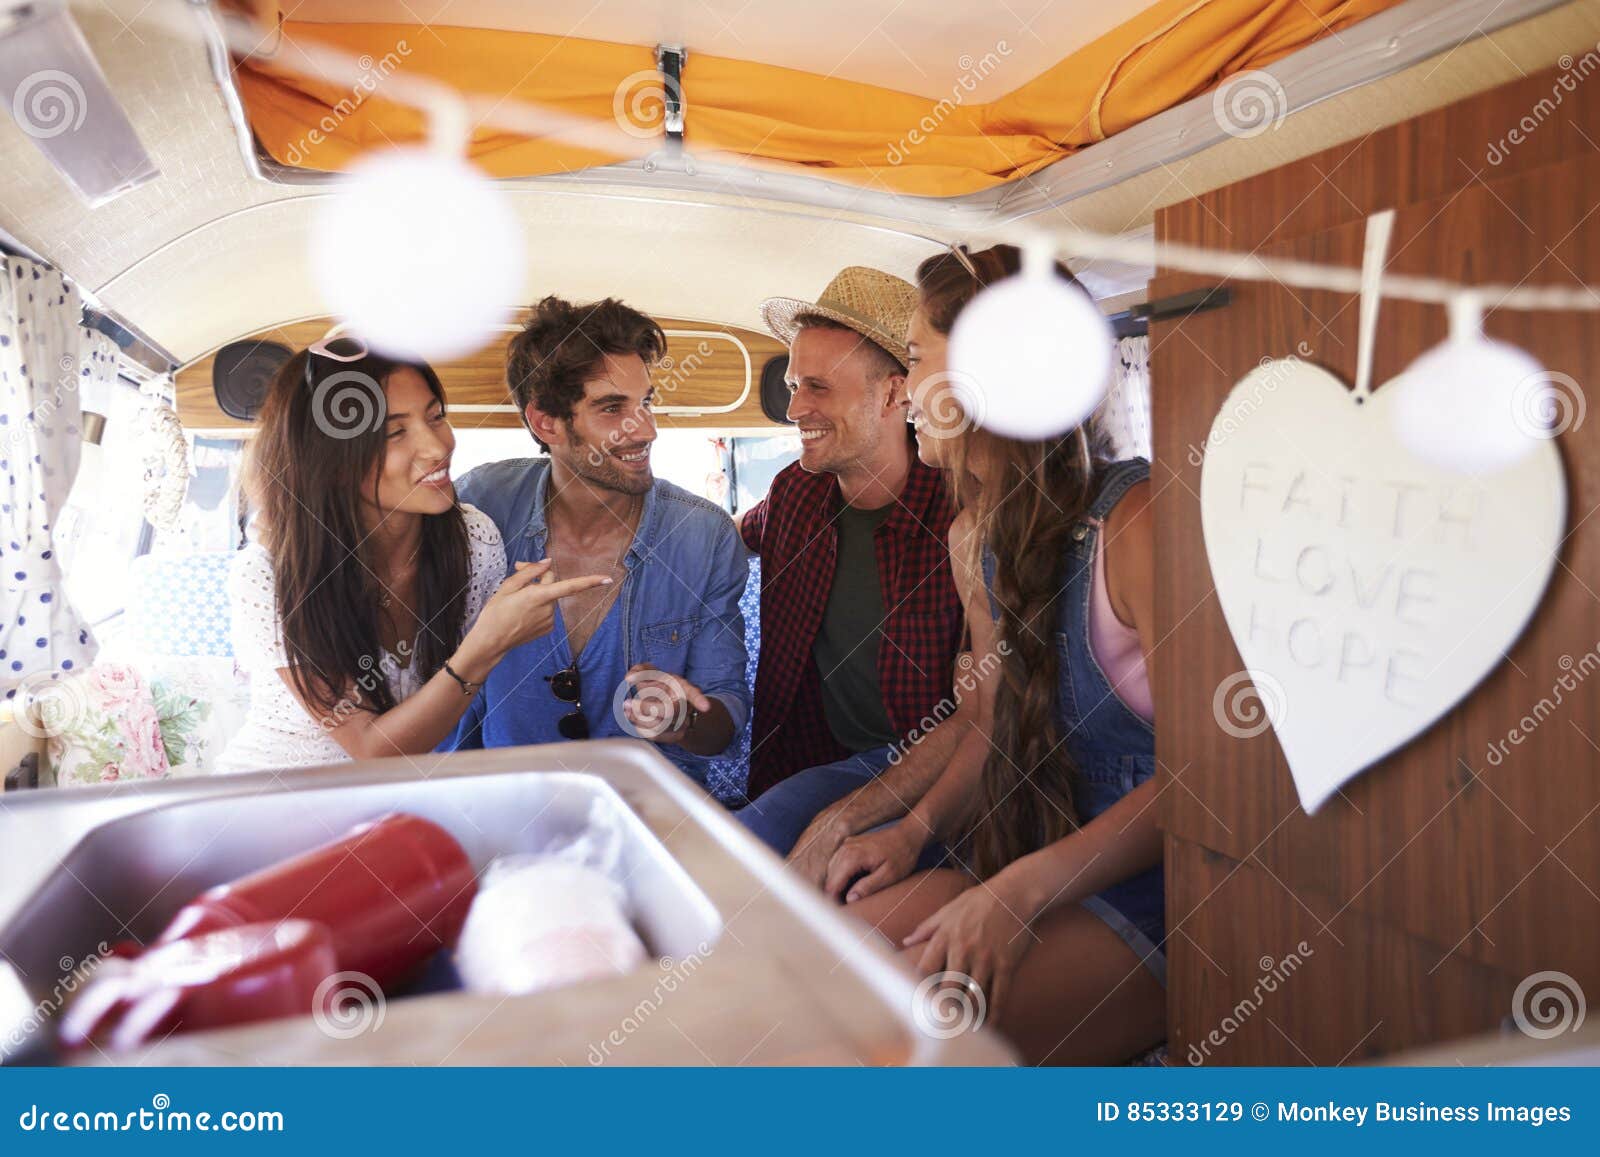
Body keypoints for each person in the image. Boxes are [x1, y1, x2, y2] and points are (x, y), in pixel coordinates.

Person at [838, 245, 1165, 1066]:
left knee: (892, 1041)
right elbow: (989, 724)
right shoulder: (972, 538)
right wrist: (910, 833)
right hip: (1039, 860)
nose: (904, 389)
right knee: (813, 968)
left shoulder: (1137, 522)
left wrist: (1017, 892)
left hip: (1165, 886)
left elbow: (1211, 775)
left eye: (916, 359)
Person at [220, 335, 609, 773]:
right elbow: (372, 749)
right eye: (395, 432)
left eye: (436, 416)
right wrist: (487, 644)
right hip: (276, 793)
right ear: (331, 461)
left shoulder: (474, 540)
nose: (437, 447)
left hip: (397, 793)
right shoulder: (268, 577)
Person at [442, 296, 749, 780]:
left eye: (646, 402)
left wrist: (683, 720)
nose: (646, 430)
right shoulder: (483, 504)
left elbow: (725, 720)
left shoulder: (704, 536)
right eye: (612, 408)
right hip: (510, 799)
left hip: (651, 806)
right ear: (546, 422)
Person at [734, 267, 965, 855]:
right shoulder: (793, 492)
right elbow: (726, 536)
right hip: (810, 762)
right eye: (793, 386)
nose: (795, 409)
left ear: (894, 393)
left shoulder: (961, 511)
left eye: (818, 387)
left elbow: (986, 717)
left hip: (940, 780)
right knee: (737, 856)